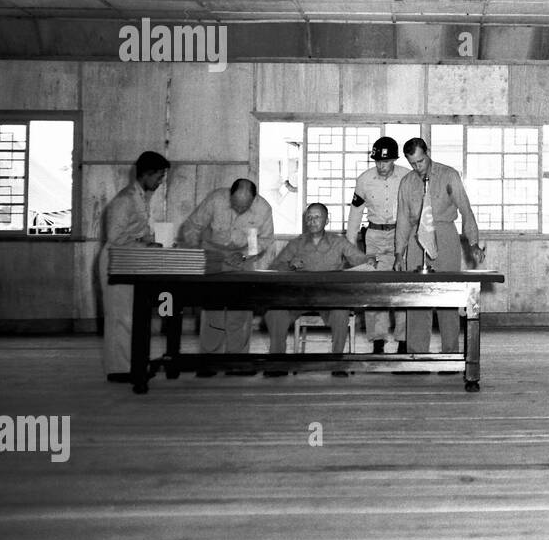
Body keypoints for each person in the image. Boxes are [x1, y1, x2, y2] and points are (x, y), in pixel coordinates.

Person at [264, 203, 376, 376]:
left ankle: (337, 361)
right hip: (299, 298)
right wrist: (289, 265)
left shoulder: (339, 242)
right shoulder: (296, 243)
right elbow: (275, 266)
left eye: (317, 217)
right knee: (274, 312)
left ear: (326, 220)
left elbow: (359, 260)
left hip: (329, 298)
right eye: (309, 217)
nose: (312, 221)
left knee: (341, 312)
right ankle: (277, 362)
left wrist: (369, 261)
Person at [394, 138, 482, 354]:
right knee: (417, 298)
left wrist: (473, 242)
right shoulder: (407, 182)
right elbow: (403, 219)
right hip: (417, 240)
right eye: (412, 163)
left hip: (445, 236)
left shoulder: (449, 175)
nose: (417, 167)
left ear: (428, 153)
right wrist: (399, 253)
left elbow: (466, 209)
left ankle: (450, 353)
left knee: (448, 297)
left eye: (421, 161)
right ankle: (416, 353)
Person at [177, 178, 274, 364]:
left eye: (243, 208)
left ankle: (237, 360)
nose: (238, 211)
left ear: (254, 200)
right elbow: (192, 226)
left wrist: (244, 256)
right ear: (229, 195)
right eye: (235, 205)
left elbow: (264, 240)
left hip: (243, 259)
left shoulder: (264, 209)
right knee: (213, 309)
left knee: (240, 311)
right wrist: (197, 249)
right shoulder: (215, 199)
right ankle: (209, 360)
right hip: (214, 257)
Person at [100, 151, 170, 383]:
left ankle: (133, 365)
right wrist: (145, 243)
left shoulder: (141, 197)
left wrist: (149, 242)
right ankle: (121, 369)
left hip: (130, 263)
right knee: (120, 318)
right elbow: (115, 237)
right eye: (159, 176)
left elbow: (137, 232)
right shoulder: (125, 199)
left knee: (132, 317)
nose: (160, 182)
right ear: (147, 174)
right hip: (115, 262)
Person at [347, 136, 405, 354]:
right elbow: (355, 214)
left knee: (402, 288)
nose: (382, 166)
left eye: (386, 161)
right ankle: (378, 339)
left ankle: (403, 339)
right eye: (378, 161)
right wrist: (349, 248)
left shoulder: (407, 177)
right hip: (373, 236)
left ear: (394, 160)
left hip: (400, 235)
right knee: (375, 288)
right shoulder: (364, 179)